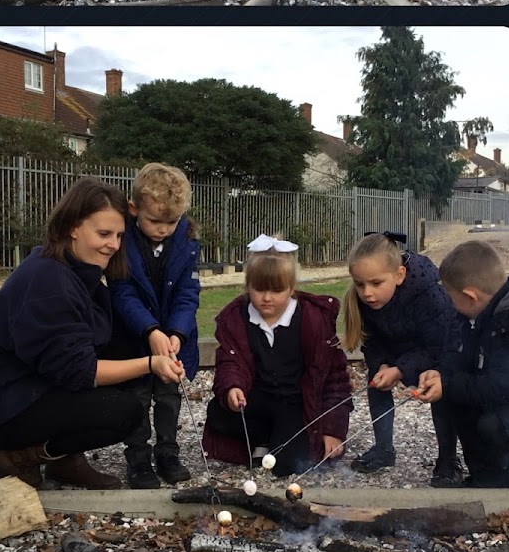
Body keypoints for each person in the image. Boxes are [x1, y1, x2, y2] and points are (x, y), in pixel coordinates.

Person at [0, 177, 185, 491]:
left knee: (124, 351)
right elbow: (79, 371)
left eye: (119, 235)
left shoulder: (78, 270)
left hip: (31, 386)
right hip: (0, 404)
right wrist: (151, 364)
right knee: (123, 412)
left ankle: (65, 458)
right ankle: (20, 456)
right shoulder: (48, 280)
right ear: (72, 227)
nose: (113, 243)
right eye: (103, 233)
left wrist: (156, 335)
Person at [201, 236, 353, 478]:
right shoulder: (236, 318)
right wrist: (232, 387)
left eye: (277, 290)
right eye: (259, 289)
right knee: (220, 414)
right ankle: (261, 438)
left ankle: (277, 441)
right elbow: (230, 362)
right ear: (248, 285)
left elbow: (334, 379)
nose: (267, 297)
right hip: (256, 398)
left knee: (289, 465)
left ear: (292, 288)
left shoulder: (314, 321)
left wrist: (333, 429)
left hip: (296, 403)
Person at [106, 162, 201, 489]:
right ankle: (137, 457)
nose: (163, 229)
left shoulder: (186, 240)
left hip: (173, 339)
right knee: (136, 396)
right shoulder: (122, 242)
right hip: (134, 338)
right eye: (155, 221)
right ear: (134, 210)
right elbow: (121, 292)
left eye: (171, 222)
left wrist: (176, 331)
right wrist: (150, 330)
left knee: (168, 395)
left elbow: (189, 292)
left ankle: (167, 452)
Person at [341, 231, 459, 484]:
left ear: (399, 275)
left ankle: (448, 460)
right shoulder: (366, 301)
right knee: (376, 381)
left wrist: (401, 370)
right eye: (359, 284)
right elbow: (371, 341)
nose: (367, 293)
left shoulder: (429, 296)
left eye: (375, 283)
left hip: (443, 353)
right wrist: (382, 365)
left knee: (442, 392)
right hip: (399, 351)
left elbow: (437, 346)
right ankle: (384, 449)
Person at [417, 240, 509, 488]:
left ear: (470, 296)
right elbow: (460, 354)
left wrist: (449, 385)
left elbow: (503, 386)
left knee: (493, 424)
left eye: (450, 297)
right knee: (452, 396)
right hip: (505, 397)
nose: (449, 304)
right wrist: (440, 374)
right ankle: (487, 478)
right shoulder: (479, 314)